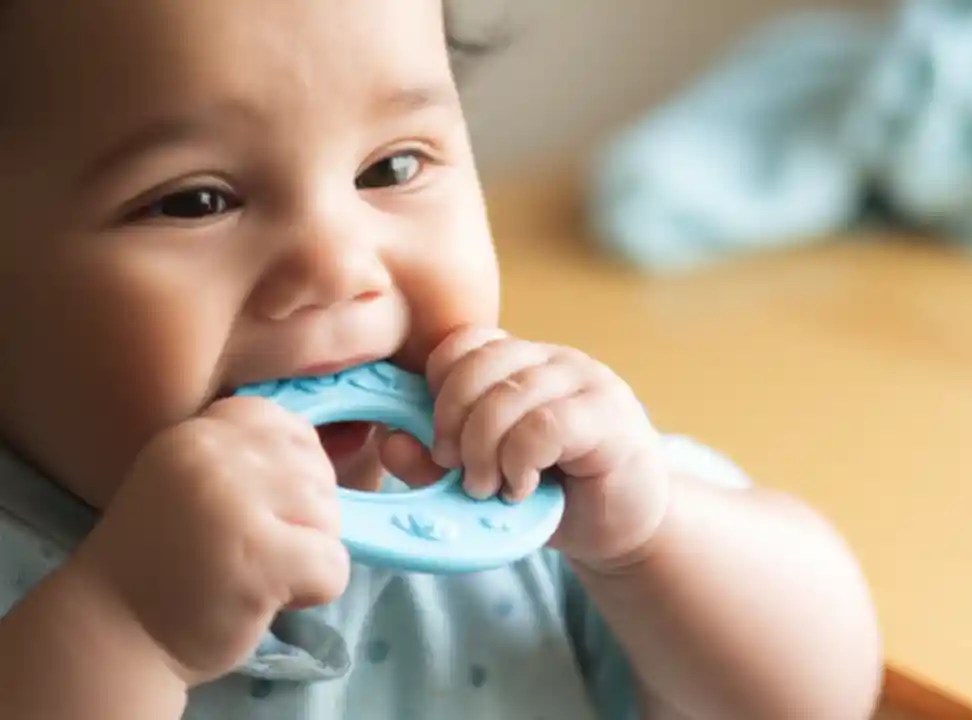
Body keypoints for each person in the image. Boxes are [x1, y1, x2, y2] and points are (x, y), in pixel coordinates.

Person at [0, 2, 882, 718]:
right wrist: (125, 631)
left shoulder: (515, 480)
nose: (340, 268)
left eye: (390, 167)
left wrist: (647, 540)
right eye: (196, 200)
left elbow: (822, 694)